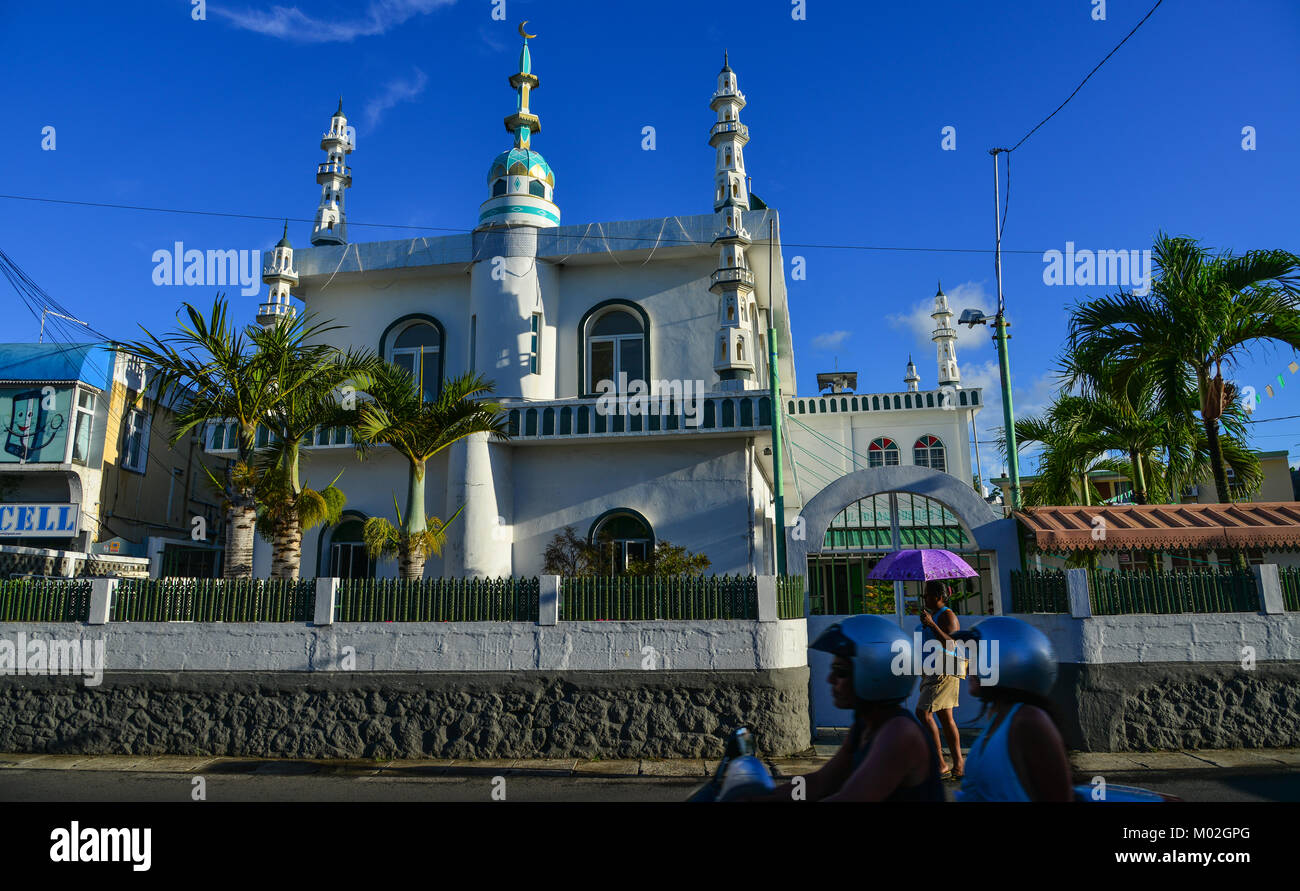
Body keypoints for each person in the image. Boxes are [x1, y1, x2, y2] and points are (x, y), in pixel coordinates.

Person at [750, 614, 944, 802]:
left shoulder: (899, 734)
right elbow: (820, 783)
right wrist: (768, 796)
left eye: (841, 672)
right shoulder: (865, 726)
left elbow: (847, 797)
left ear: (874, 673)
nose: (830, 679)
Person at [952, 617, 1073, 802]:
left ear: (1006, 658)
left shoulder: (1029, 720)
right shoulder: (998, 716)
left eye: (978, 658)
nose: (969, 668)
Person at [916, 580, 965, 779]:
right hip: (933, 668)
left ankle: (940, 763)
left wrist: (932, 624)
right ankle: (959, 765)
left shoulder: (947, 615)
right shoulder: (934, 615)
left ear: (938, 596)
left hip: (945, 669)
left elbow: (953, 644)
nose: (924, 597)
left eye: (927, 594)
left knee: (923, 713)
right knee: (946, 717)